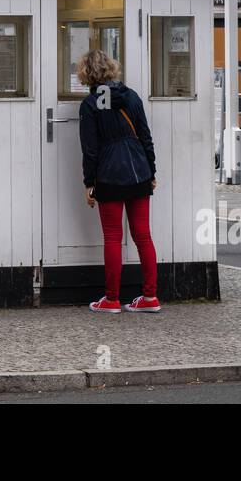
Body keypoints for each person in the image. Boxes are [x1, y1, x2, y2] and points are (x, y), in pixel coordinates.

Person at [76, 50, 160, 314]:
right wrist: (152, 171)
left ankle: (111, 300)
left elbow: (90, 149)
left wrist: (89, 182)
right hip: (139, 172)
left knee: (112, 237)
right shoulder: (131, 97)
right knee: (143, 236)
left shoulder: (90, 105)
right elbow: (145, 136)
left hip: (110, 175)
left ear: (86, 73)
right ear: (111, 68)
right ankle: (150, 298)